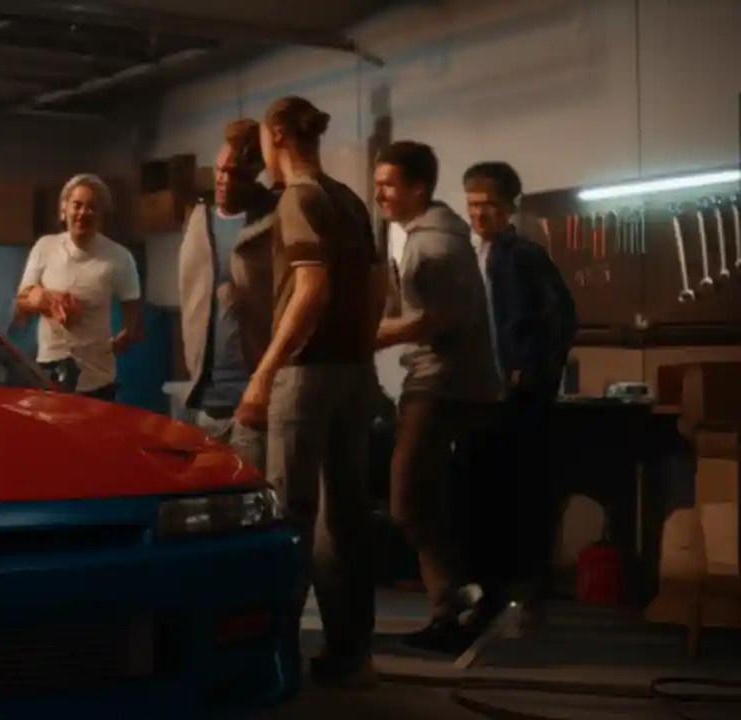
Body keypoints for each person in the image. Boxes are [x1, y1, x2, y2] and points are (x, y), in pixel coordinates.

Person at [236, 96, 387, 686]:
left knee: (288, 520)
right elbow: (378, 289)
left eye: (262, 149)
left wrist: (264, 372)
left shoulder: (298, 198)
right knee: (345, 520)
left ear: (277, 136)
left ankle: (273, 655)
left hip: (305, 375)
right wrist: (360, 352)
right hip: (353, 374)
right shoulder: (349, 200)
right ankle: (352, 655)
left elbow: (311, 287)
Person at [372, 141, 503, 655]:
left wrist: (375, 334)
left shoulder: (436, 245)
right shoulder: (425, 236)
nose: (379, 192)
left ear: (418, 188)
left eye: (388, 184)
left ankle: (463, 598)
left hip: (443, 385)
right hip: (439, 382)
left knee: (406, 500)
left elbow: (447, 318)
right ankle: (453, 608)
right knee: (431, 500)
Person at [463, 161, 577, 624]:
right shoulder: (469, 258)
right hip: (477, 397)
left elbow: (561, 320)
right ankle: (488, 591)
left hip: (521, 398)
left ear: (510, 206)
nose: (479, 214)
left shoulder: (524, 257)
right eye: (472, 205)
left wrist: (529, 371)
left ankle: (528, 593)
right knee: (480, 495)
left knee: (524, 493)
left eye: (489, 205)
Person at [177, 118, 278, 472]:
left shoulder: (274, 220)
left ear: (255, 174)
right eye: (220, 170)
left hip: (254, 395)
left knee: (251, 492)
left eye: (234, 173)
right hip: (206, 397)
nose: (223, 180)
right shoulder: (199, 220)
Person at [16, 174, 142, 401]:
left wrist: (127, 332)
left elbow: (131, 303)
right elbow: (23, 297)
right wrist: (49, 299)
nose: (84, 213)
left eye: (92, 207)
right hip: (50, 373)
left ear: (101, 215)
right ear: (64, 210)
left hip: (97, 379)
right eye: (78, 205)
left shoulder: (119, 257)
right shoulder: (45, 247)